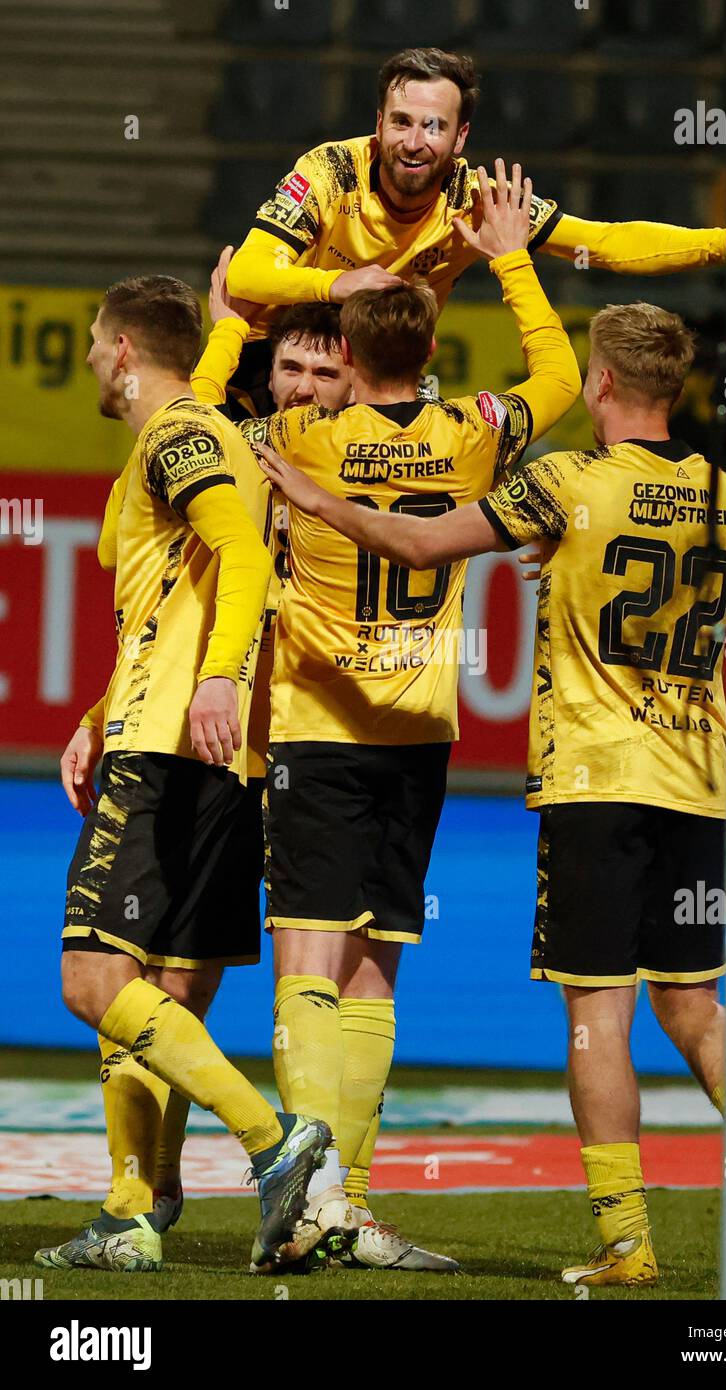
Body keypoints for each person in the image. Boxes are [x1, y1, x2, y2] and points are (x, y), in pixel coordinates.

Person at [259, 299, 726, 1288]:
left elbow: (422, 546)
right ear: (672, 389)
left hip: (596, 779)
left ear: (600, 382)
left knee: (596, 1017)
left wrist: (316, 498)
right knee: (694, 1003)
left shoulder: (558, 482)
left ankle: (626, 1239)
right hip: (701, 776)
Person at [243, 161, 580, 1272]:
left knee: (308, 956)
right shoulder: (477, 432)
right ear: (429, 355)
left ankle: (313, 1203)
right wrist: (509, 261)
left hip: (313, 722)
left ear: (339, 359)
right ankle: (351, 1202)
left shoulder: (296, 444)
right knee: (380, 962)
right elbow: (559, 376)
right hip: (420, 729)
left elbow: (233, 320)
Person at [36, 275, 331, 1277]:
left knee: (93, 976)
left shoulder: (179, 433)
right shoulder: (197, 436)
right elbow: (178, 597)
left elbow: (241, 556)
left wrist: (207, 684)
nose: (84, 355)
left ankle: (269, 1140)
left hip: (171, 744)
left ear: (122, 350)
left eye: (90, 339)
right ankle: (134, 1206)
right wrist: (92, 715)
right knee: (160, 989)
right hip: (212, 749)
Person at [226, 46, 726, 317]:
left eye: (434, 127)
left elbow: (605, 244)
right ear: (377, 125)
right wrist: (339, 286)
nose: (414, 142)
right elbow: (249, 274)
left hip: (381, 378)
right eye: (400, 122)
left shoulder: (479, 200)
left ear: (459, 140)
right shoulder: (329, 170)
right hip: (282, 360)